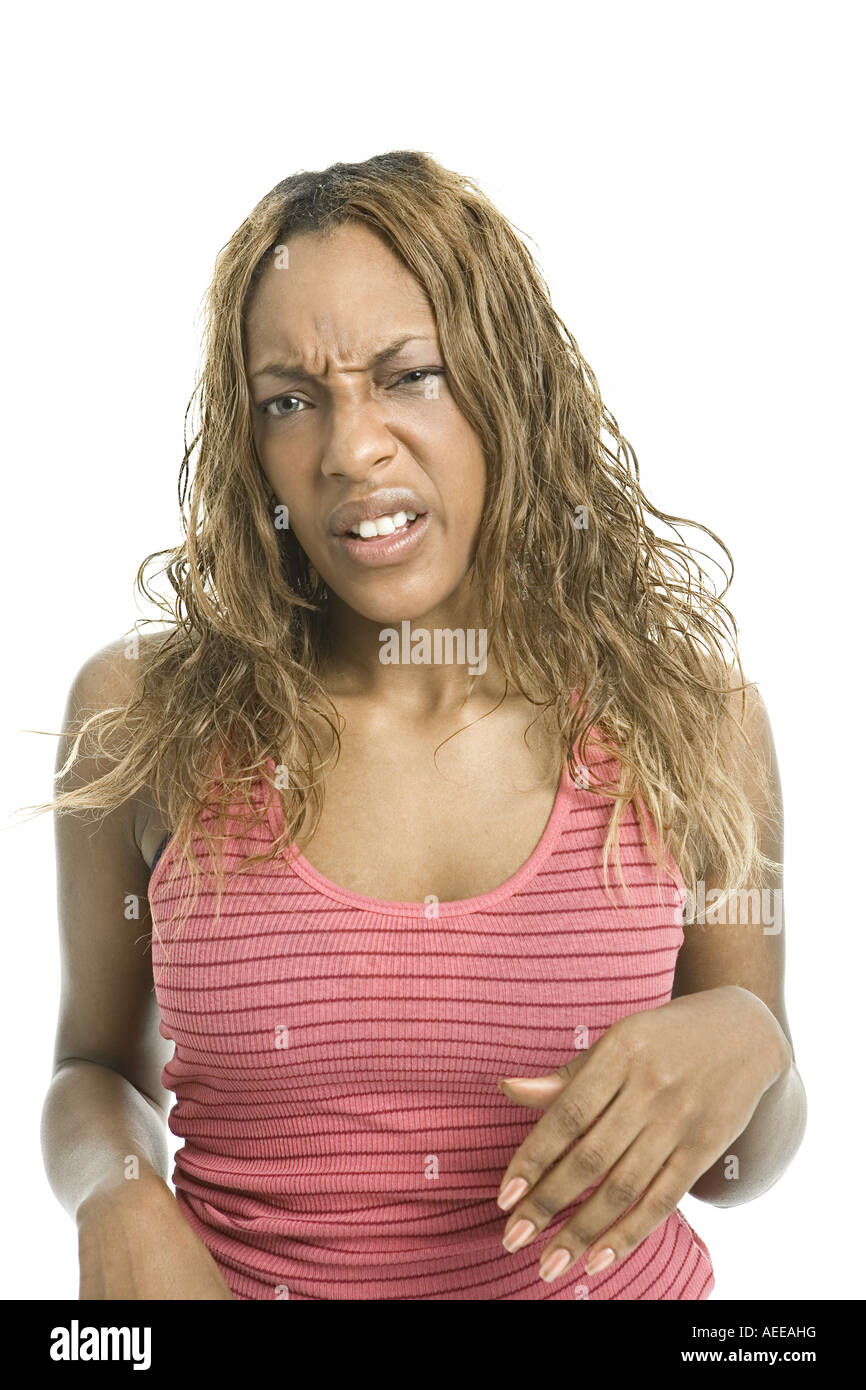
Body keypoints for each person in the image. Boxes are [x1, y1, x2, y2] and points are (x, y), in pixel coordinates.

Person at [39, 150, 806, 1300]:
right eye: (289, 399)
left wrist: (751, 1037)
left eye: (408, 375)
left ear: (511, 386)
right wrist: (116, 1190)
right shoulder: (140, 717)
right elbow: (94, 1069)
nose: (349, 450)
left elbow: (741, 1169)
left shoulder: (692, 719)